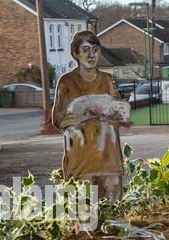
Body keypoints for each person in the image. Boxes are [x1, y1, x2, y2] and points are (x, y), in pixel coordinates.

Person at [52, 30, 129, 202]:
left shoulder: (107, 80)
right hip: (80, 159)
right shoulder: (66, 82)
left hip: (109, 158)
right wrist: (84, 116)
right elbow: (57, 120)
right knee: (84, 217)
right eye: (85, 49)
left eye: (95, 49)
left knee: (112, 214)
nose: (91, 54)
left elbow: (123, 117)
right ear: (75, 53)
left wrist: (117, 113)